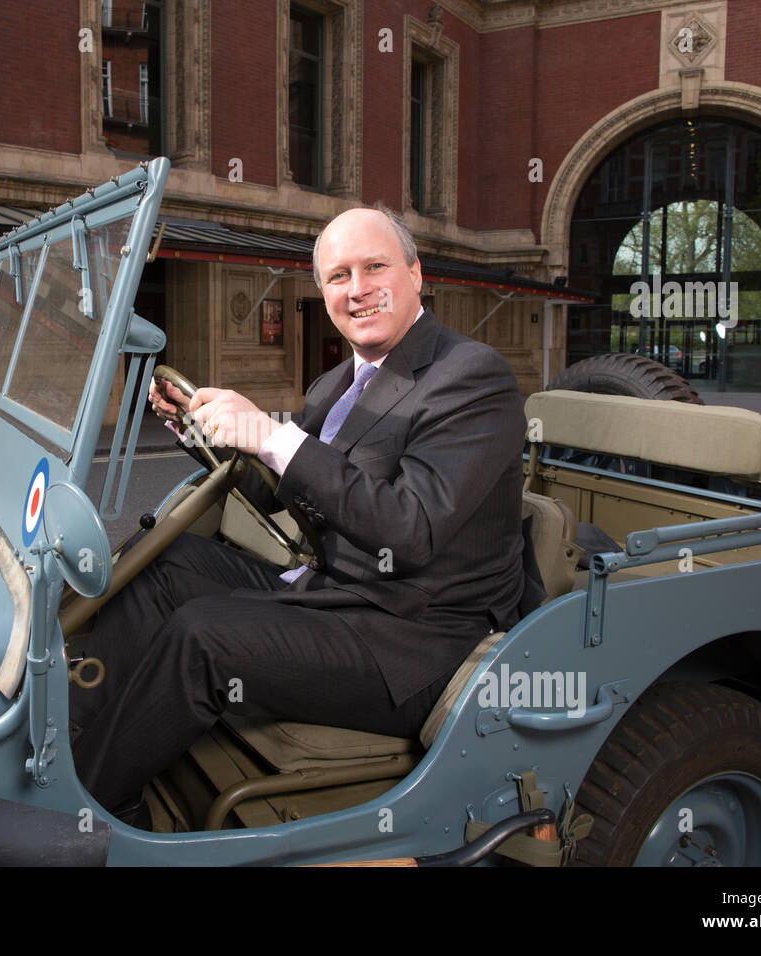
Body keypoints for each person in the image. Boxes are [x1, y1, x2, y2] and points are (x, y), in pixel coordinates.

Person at [71, 205, 526, 823]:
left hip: (414, 636)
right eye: (338, 276)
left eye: (375, 267)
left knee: (204, 635)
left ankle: (90, 810)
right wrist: (203, 435)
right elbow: (276, 490)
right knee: (161, 567)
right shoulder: (336, 383)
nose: (358, 289)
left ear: (417, 275)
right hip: (334, 590)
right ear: (323, 292)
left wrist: (271, 435)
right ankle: (81, 751)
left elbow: (410, 529)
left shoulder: (471, 377)